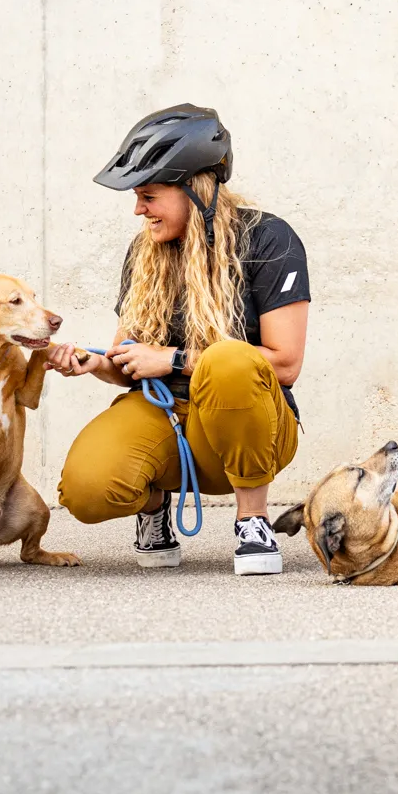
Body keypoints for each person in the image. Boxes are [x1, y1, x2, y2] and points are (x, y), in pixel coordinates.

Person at [52, 105, 309, 576]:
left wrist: (171, 359)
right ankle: (153, 509)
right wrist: (96, 363)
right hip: (166, 417)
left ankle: (252, 521)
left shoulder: (269, 239)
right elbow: (129, 359)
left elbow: (286, 364)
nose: (138, 210)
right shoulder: (144, 252)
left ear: (197, 189)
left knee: (229, 360)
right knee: (85, 490)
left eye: (149, 195)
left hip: (248, 427)